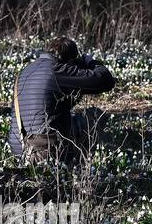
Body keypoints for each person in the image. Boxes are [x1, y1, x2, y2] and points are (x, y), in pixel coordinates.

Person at [8, 37, 116, 166]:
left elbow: (53, 105)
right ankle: (77, 170)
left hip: (19, 151)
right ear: (69, 60)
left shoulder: (25, 72)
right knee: (96, 115)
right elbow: (105, 80)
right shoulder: (57, 70)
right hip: (45, 154)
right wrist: (91, 62)